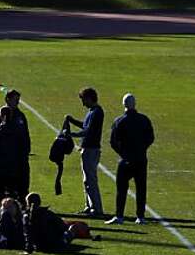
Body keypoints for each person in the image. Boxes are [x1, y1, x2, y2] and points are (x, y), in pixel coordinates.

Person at [107, 93, 154, 225]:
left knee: (121, 189)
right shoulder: (144, 119)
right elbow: (150, 138)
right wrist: (142, 149)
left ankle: (120, 216)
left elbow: (112, 141)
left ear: (124, 105)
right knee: (141, 188)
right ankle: (140, 216)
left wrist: (122, 153)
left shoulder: (119, 121)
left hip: (125, 160)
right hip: (140, 159)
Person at [64, 87, 105, 218]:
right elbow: (85, 126)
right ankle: (89, 206)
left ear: (89, 98)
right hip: (87, 149)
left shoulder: (97, 112)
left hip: (91, 149)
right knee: (86, 180)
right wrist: (72, 120)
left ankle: (96, 209)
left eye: (83, 100)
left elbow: (88, 131)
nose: (83, 103)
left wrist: (72, 134)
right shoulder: (92, 111)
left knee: (91, 180)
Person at [0, 89, 31, 200]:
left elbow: (26, 135)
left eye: (18, 100)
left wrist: (26, 151)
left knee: (22, 186)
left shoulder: (20, 116)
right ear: (7, 99)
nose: (18, 102)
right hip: (7, 161)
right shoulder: (0, 117)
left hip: (20, 159)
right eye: (15, 100)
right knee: (8, 188)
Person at [0, 106, 25, 204]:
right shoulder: (18, 130)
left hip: (0, 169)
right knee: (13, 194)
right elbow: (23, 149)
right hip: (14, 168)